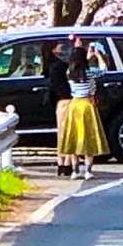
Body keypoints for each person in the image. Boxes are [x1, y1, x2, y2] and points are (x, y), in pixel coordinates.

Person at [59, 44, 109, 179]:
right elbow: (104, 69)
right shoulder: (90, 72)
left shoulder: (69, 73)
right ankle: (88, 170)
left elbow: (78, 64)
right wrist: (97, 56)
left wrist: (84, 57)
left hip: (74, 105)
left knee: (74, 137)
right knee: (88, 138)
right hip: (87, 105)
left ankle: (75, 170)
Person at [45, 39, 75, 177]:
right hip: (66, 100)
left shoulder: (48, 66)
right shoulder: (60, 66)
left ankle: (60, 162)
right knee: (68, 133)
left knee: (61, 133)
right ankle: (67, 163)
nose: (61, 47)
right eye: (58, 45)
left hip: (58, 102)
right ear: (53, 49)